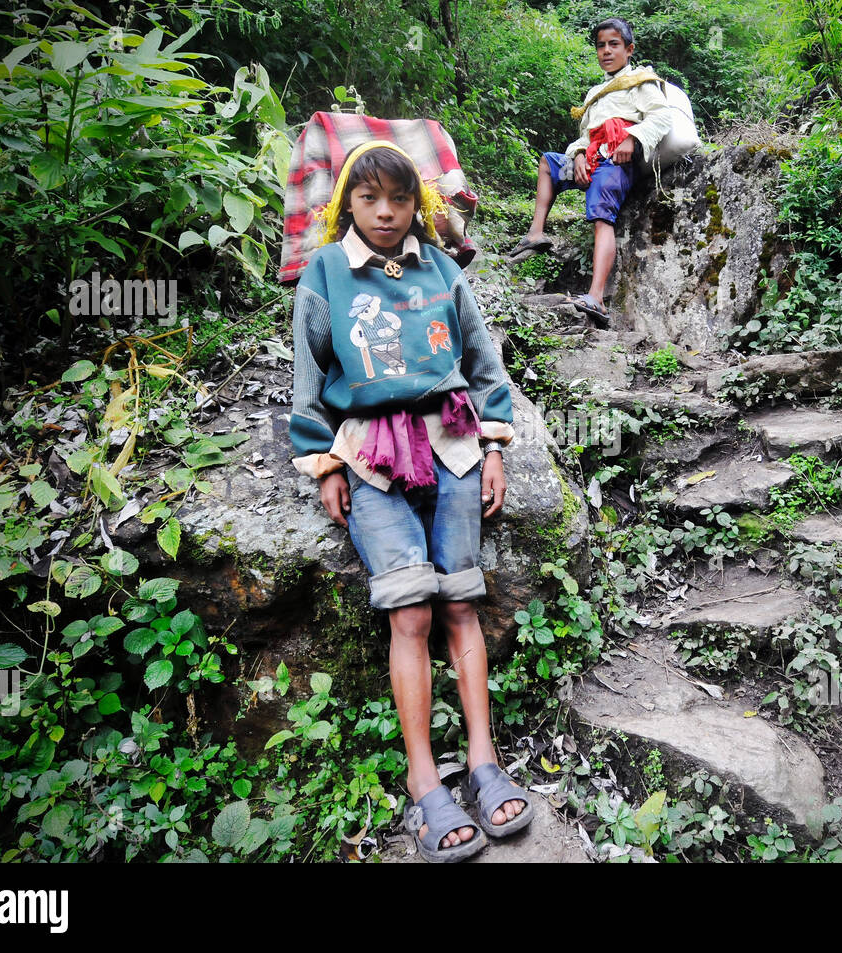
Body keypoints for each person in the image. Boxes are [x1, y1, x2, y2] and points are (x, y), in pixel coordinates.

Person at [289, 140, 531, 862]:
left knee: (461, 601)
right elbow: (309, 376)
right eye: (369, 199)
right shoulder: (326, 273)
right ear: (346, 206)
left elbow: (484, 363)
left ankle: (483, 761)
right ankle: (425, 778)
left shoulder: (440, 268)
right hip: (370, 457)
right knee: (412, 608)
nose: (386, 212)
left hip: (452, 443)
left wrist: (493, 447)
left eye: (398, 197)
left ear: (417, 203)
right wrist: (325, 462)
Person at [508, 17, 674, 326]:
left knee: (600, 213)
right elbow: (586, 135)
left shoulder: (641, 81)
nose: (607, 51)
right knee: (548, 163)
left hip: (616, 162)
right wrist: (580, 155)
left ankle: (596, 297)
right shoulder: (595, 93)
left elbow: (661, 117)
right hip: (593, 158)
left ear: (629, 49)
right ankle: (535, 234)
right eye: (601, 46)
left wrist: (632, 139)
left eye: (614, 44)